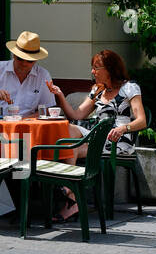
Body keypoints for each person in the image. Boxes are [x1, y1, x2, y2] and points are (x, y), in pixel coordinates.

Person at [53, 50, 146, 220]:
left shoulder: (129, 88)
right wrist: (59, 95)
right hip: (98, 137)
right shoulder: (97, 90)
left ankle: (69, 192)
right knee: (68, 133)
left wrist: (123, 128)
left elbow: (141, 121)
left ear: (110, 69)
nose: (92, 72)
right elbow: (76, 116)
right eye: (92, 68)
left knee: (71, 148)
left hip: (119, 140)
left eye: (97, 68)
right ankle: (72, 196)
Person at [0, 31, 65, 118]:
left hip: (28, 128)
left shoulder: (43, 75)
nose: (24, 63)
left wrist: (24, 120)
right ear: (14, 55)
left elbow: (48, 109)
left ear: (36, 60)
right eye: (20, 58)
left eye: (29, 61)